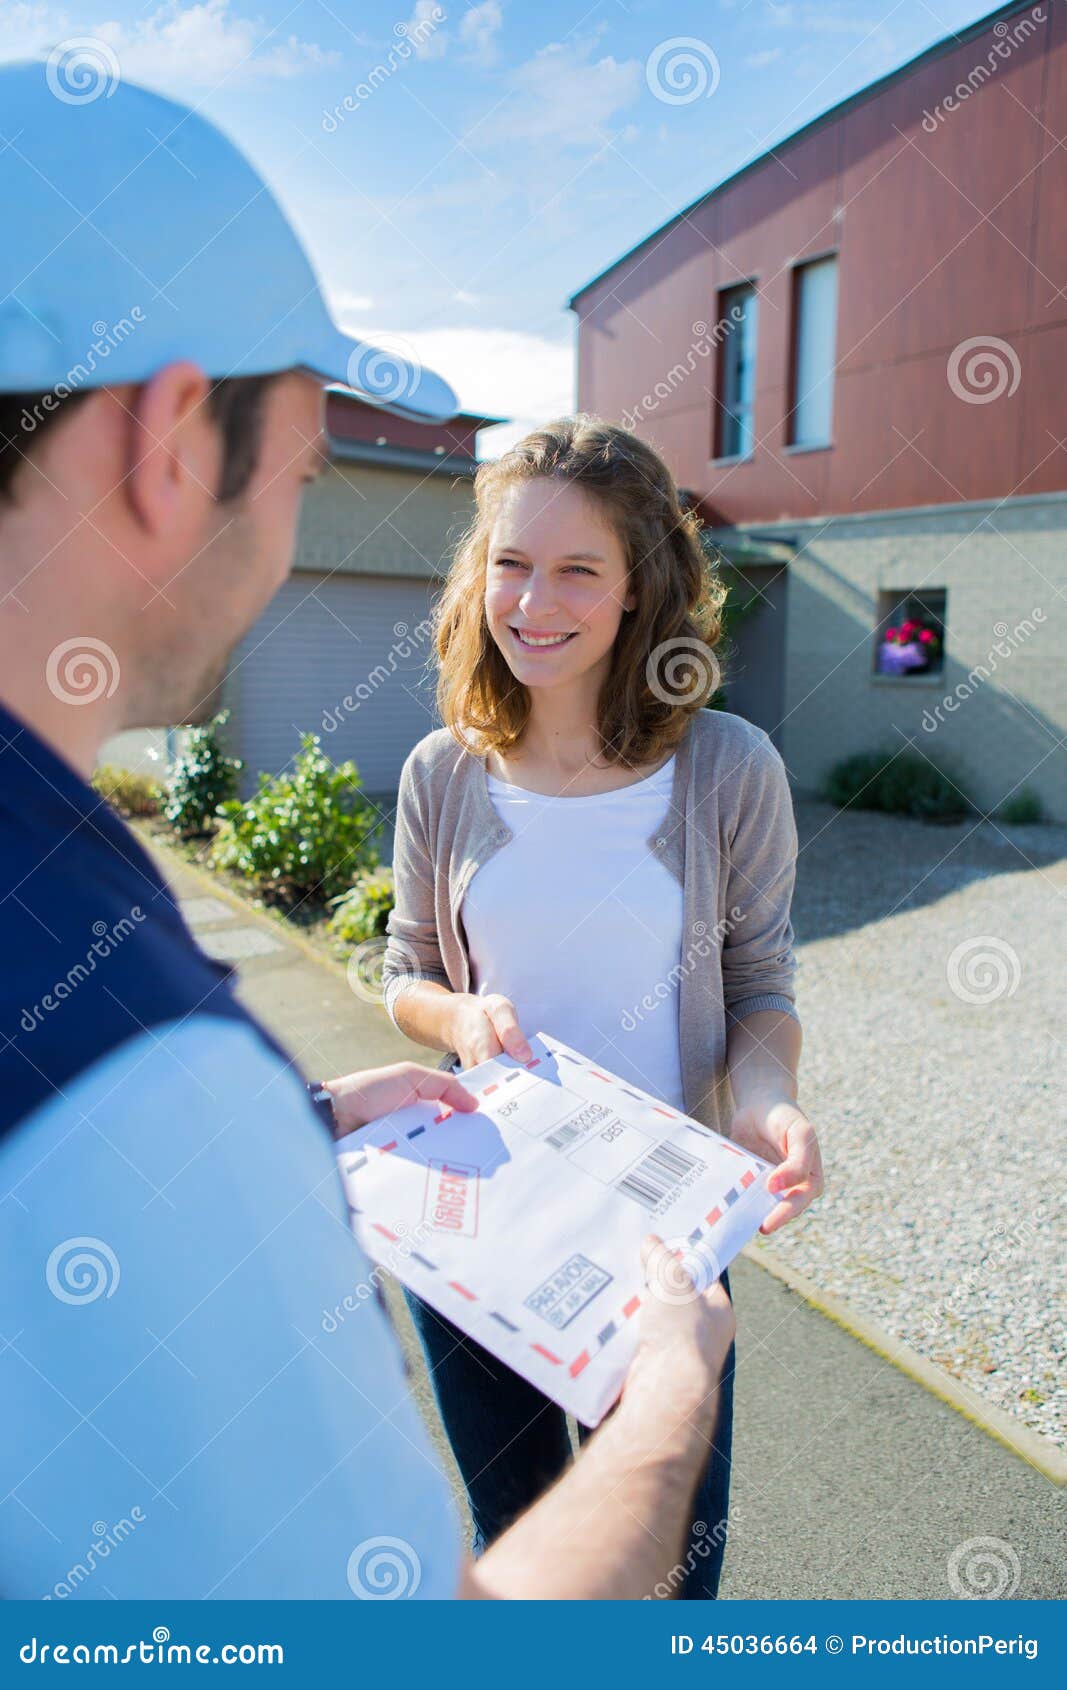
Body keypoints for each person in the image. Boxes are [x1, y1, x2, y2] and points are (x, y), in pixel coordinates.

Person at [0, 59, 737, 1602]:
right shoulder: (131, 1065)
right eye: (306, 471)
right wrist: (668, 1397)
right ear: (171, 440)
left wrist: (271, 1125)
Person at [382, 417, 824, 1598]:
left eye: (578, 568)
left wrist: (767, 1098)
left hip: (662, 1235)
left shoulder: (728, 770)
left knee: (673, 1578)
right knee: (522, 1554)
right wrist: (459, 1021)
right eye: (510, 563)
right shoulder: (441, 770)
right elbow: (406, 972)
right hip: (478, 1221)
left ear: (637, 592)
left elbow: (758, 983)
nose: (533, 599)